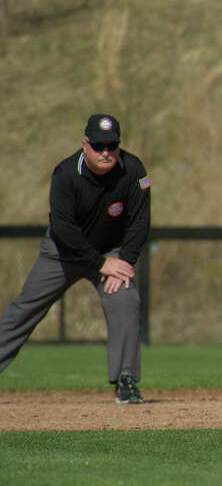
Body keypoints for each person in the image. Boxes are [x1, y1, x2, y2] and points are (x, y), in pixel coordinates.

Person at [0, 114, 151, 404]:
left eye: (112, 145)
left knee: (125, 299)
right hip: (62, 253)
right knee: (24, 309)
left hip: (111, 252)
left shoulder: (133, 170)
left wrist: (125, 261)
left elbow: (140, 221)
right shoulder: (66, 174)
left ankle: (126, 380)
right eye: (98, 146)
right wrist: (99, 263)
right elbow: (64, 229)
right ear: (85, 145)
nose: (105, 152)